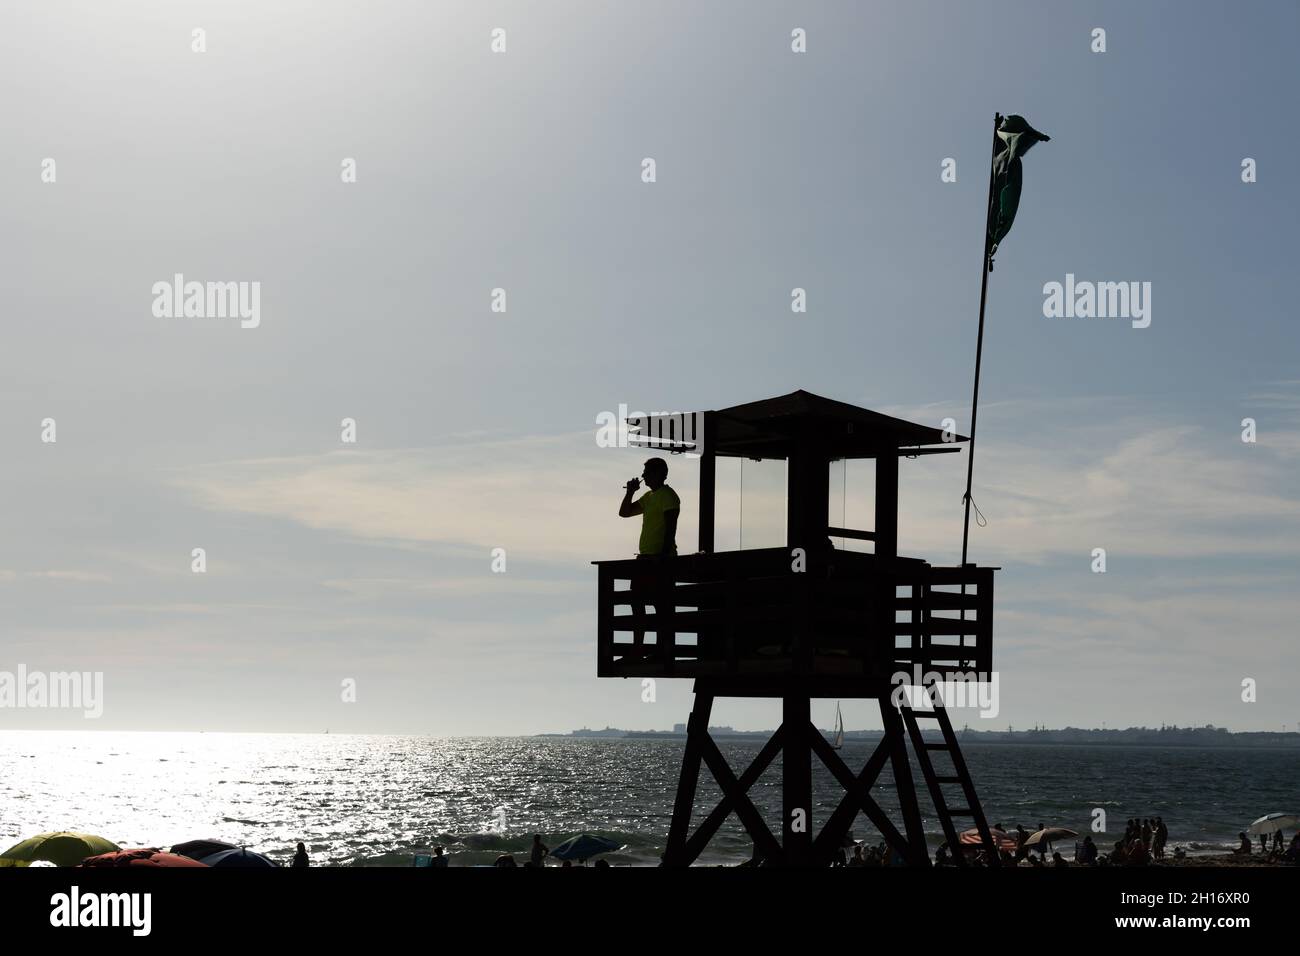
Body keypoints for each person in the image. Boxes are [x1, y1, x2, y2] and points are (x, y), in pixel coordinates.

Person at [618, 458, 681, 651]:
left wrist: (662, 556)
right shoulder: (648, 496)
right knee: (637, 605)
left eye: (647, 472)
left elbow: (671, 529)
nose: (643, 475)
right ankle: (639, 649)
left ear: (658, 474)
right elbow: (624, 513)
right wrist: (630, 492)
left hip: (660, 560)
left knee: (660, 607)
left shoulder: (668, 496)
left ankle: (661, 650)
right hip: (645, 559)